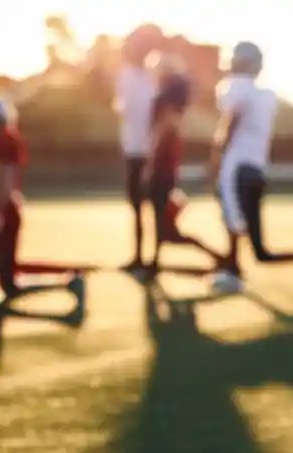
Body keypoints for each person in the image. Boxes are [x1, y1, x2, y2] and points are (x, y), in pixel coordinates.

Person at [208, 41, 293, 294]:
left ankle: (232, 271)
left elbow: (229, 125)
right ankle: (233, 269)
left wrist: (216, 160)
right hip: (256, 169)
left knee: (237, 228)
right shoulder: (266, 97)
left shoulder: (235, 89)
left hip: (237, 168)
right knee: (253, 242)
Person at [0, 99, 83, 302]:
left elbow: (3, 180)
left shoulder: (1, 143)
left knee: (8, 275)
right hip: (2, 210)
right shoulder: (0, 141)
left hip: (3, 211)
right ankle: (67, 275)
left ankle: (65, 278)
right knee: (7, 268)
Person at [145, 54, 223, 274]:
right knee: (168, 230)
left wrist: (150, 166)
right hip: (166, 170)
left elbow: (162, 133)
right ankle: (156, 261)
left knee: (166, 227)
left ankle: (155, 262)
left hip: (162, 171)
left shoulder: (164, 103)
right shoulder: (174, 105)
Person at [114, 24, 162, 275]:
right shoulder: (128, 75)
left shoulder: (151, 76)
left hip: (149, 151)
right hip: (134, 150)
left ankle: (153, 258)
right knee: (137, 206)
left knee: (154, 206)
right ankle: (139, 256)